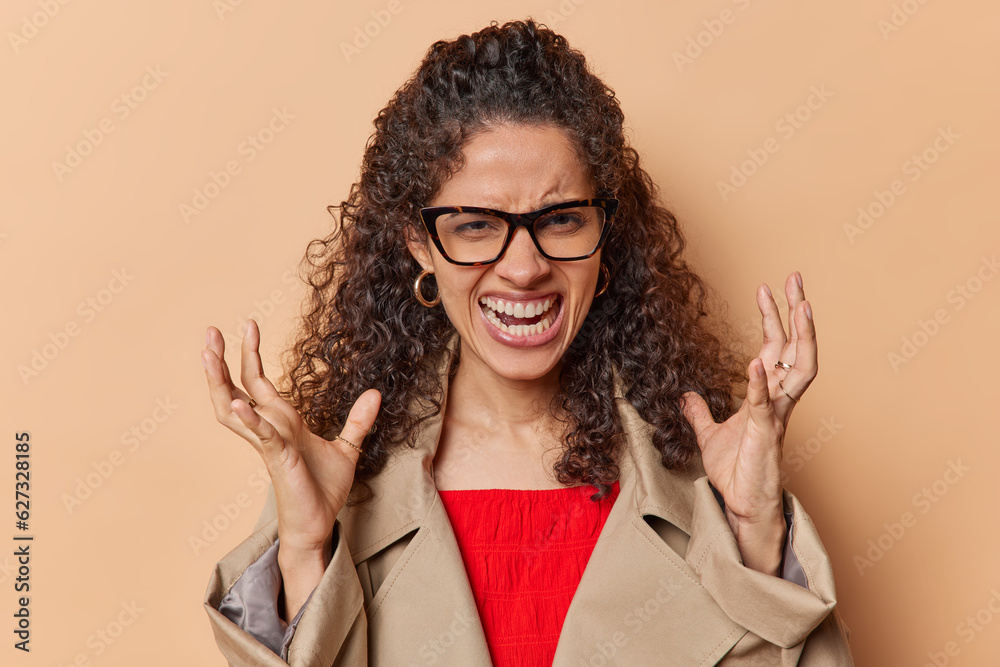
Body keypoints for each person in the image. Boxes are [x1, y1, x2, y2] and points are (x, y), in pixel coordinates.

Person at [201, 18, 854, 666]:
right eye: (476, 225)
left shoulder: (701, 475)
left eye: (562, 219)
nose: (524, 267)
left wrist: (755, 533)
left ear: (604, 236)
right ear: (420, 244)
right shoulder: (340, 484)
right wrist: (305, 552)